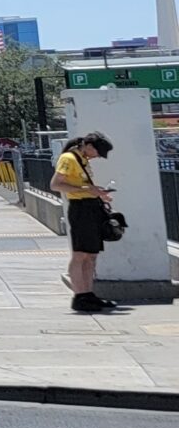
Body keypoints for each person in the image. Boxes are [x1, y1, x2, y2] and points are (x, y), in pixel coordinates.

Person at [51, 132, 122, 313]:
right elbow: (56, 185)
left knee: (91, 254)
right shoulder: (68, 159)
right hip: (80, 208)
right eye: (97, 152)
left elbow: (84, 186)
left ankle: (88, 293)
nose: (97, 156)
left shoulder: (83, 160)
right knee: (80, 254)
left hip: (90, 207)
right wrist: (86, 189)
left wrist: (98, 193)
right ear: (89, 146)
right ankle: (80, 296)